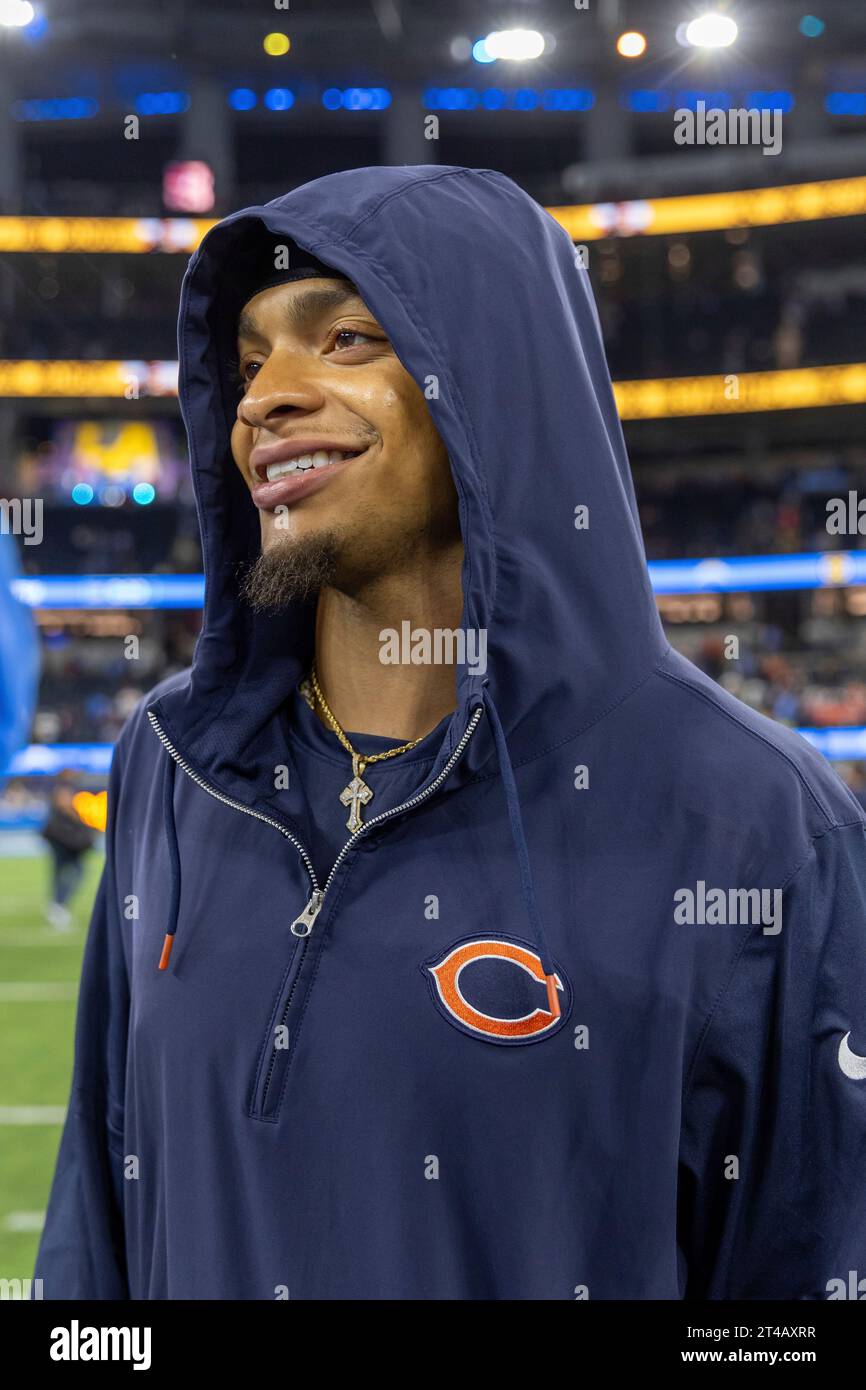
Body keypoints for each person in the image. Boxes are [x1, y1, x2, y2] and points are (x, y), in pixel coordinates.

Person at [35, 165, 866, 1300]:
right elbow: (97, 1229)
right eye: (247, 360)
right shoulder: (172, 765)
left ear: (492, 385)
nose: (263, 396)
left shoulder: (756, 821)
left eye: (346, 340)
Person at [40, 775, 95, 929]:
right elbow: (63, 808)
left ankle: (57, 904)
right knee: (73, 872)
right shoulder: (63, 792)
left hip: (64, 842)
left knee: (66, 873)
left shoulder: (64, 792)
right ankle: (58, 905)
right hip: (63, 843)